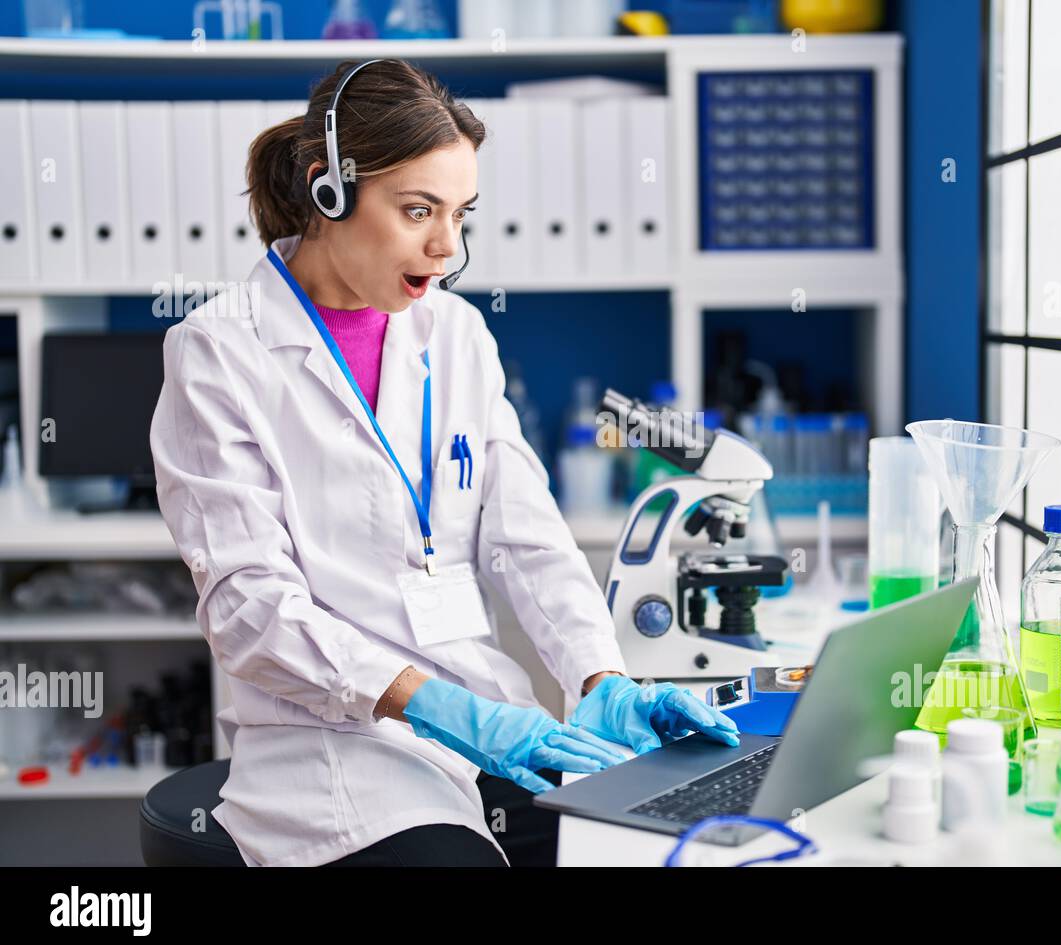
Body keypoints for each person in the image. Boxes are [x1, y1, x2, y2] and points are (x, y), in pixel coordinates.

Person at [149, 58, 738, 868]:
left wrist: (602, 681)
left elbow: (526, 539)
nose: (446, 246)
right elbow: (250, 610)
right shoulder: (221, 352)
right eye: (417, 210)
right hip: (337, 748)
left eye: (462, 214)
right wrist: (441, 710)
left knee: (671, 844)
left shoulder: (456, 334)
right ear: (329, 190)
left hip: (495, 729)